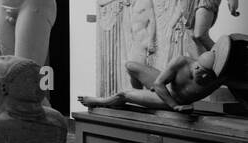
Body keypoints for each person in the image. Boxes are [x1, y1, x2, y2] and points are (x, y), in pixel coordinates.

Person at [78, 47, 228, 113]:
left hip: (173, 101)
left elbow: (241, 86)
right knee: (130, 66)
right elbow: (158, 83)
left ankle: (101, 101)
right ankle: (141, 97)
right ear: (195, 66)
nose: (203, 78)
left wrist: (175, 106)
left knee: (123, 94)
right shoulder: (182, 61)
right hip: (167, 96)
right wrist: (175, 107)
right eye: (201, 72)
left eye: (207, 76)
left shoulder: (217, 78)